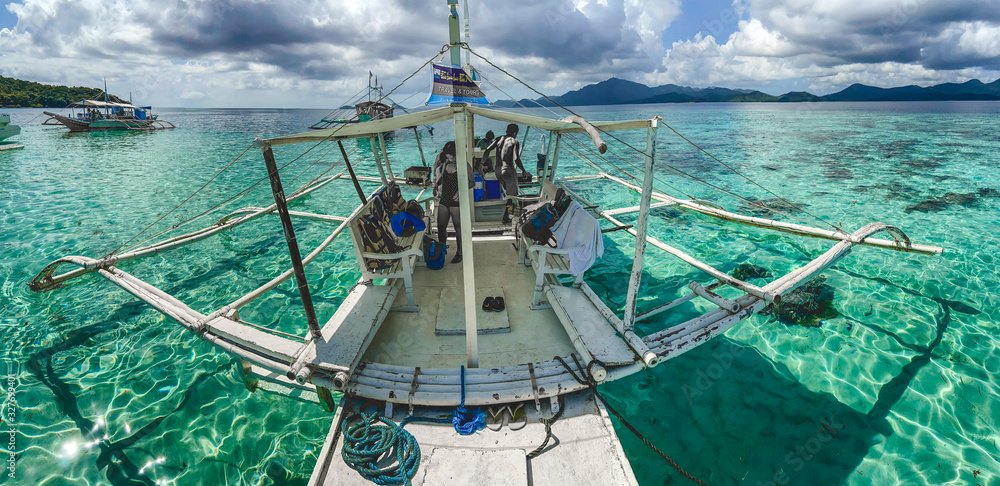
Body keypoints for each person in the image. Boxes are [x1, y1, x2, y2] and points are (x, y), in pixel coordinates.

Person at [433, 141, 475, 264]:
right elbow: (440, 179)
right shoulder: (445, 164)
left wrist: (460, 191)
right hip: (444, 199)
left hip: (456, 201)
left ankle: (460, 252)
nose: (450, 158)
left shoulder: (465, 166)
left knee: (458, 228)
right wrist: (436, 186)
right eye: (447, 156)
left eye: (451, 156)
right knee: (441, 227)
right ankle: (442, 248)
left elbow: (472, 182)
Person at [483, 124, 530, 224]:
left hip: (497, 170)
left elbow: (487, 150)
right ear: (515, 133)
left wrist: (482, 164)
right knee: (513, 195)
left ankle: (507, 216)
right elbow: (516, 158)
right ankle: (514, 219)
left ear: (506, 131)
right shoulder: (514, 141)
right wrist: (523, 170)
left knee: (509, 194)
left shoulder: (499, 138)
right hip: (507, 169)